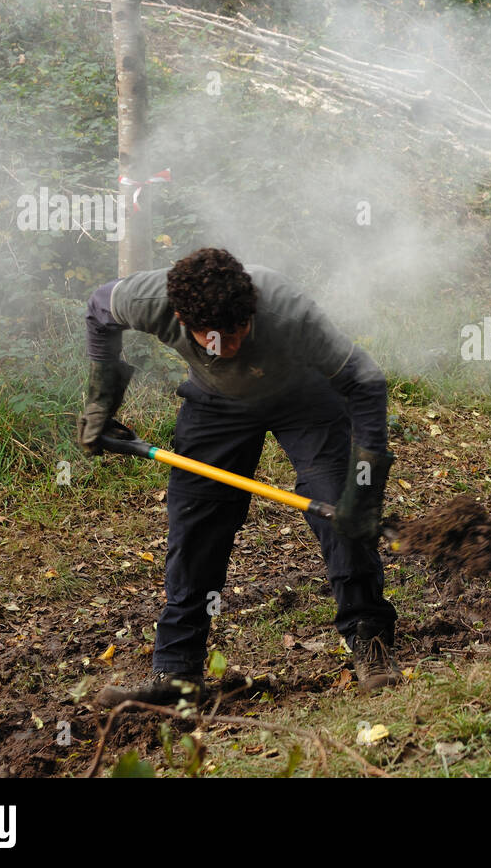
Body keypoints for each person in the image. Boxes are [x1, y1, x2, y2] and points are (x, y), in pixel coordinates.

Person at [78, 247, 401, 702]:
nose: (227, 349)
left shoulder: (288, 311)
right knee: (195, 524)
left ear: (251, 311)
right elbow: (98, 310)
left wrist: (364, 492)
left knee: (336, 506)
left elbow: (365, 381)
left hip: (303, 397)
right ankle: (178, 672)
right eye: (212, 338)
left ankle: (369, 635)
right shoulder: (148, 298)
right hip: (215, 405)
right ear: (179, 317)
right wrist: (100, 405)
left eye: (236, 333)